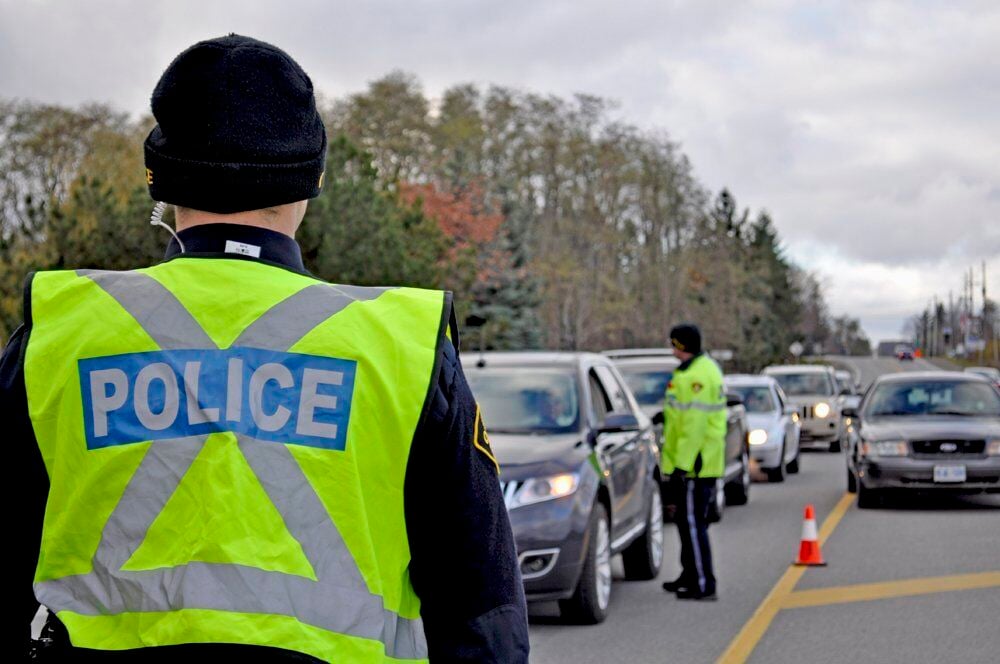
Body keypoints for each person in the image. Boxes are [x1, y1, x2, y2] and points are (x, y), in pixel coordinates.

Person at [1, 35, 528, 662]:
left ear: (160, 179)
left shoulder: (61, 330)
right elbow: (480, 605)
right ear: (312, 179)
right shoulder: (404, 343)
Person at [659, 324, 726, 601]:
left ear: (684, 346)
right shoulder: (691, 371)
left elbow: (694, 426)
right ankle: (689, 574)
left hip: (695, 465)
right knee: (686, 524)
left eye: (675, 344)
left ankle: (702, 581)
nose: (672, 349)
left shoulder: (699, 375)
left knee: (692, 522)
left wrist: (682, 466)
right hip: (690, 462)